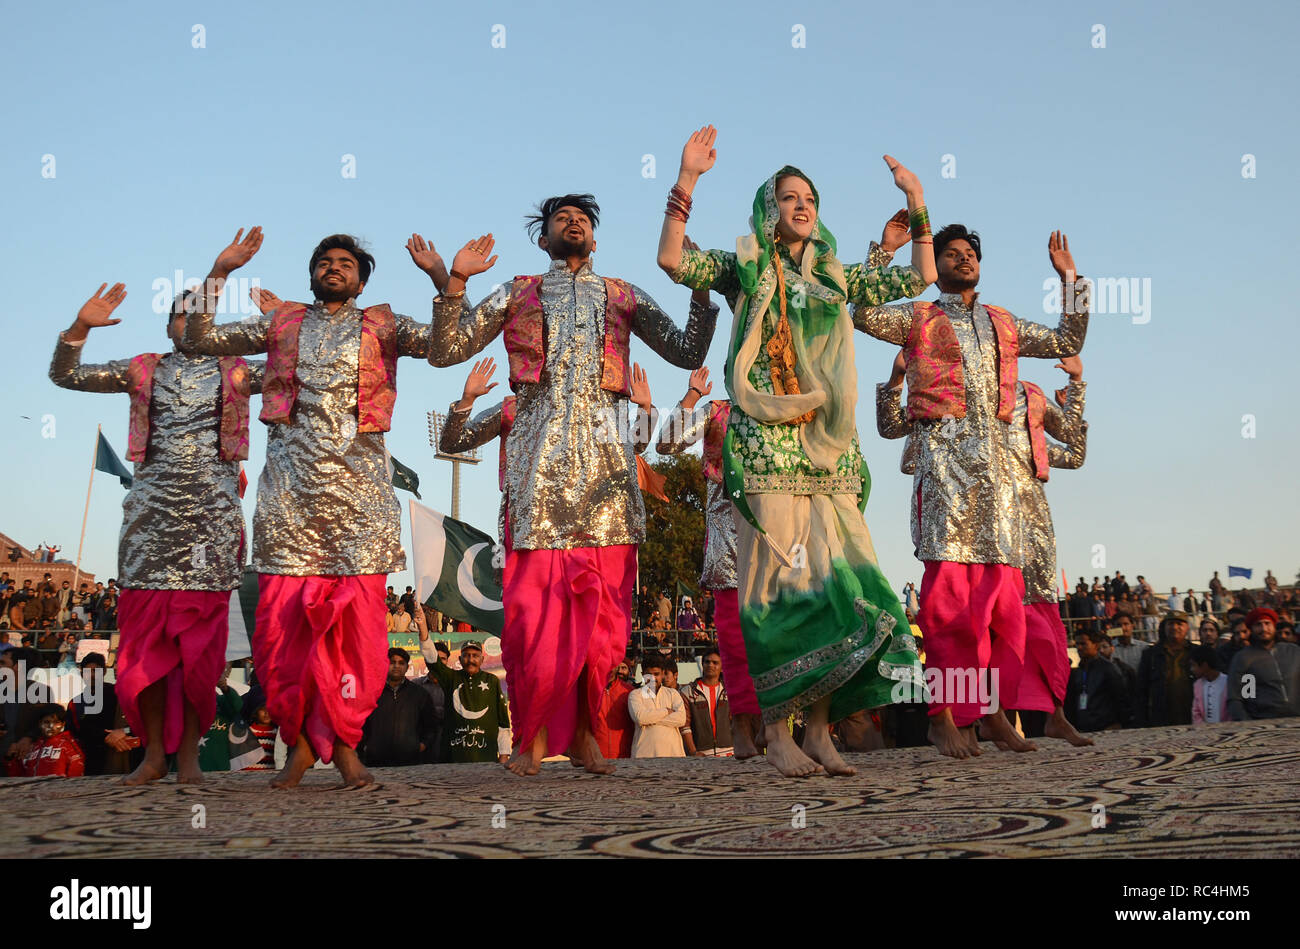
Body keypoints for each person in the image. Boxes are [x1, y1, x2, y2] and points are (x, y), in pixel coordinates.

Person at [660, 126, 933, 776]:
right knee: (778, 583)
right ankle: (777, 731)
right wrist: (686, 181)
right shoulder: (746, 267)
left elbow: (920, 277)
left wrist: (917, 200)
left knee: (838, 582)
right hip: (764, 446)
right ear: (769, 208)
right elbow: (673, 262)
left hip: (827, 452)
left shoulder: (837, 275)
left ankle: (819, 728)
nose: (802, 204)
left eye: (809, 195)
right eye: (789, 197)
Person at [426, 191, 716, 778]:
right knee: (535, 619)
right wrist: (453, 278)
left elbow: (687, 348)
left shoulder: (623, 294)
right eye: (562, 218)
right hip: (539, 473)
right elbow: (447, 350)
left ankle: (586, 734)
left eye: (583, 218)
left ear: (595, 236)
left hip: (609, 473)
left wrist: (700, 285)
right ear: (544, 238)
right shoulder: (517, 291)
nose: (574, 223)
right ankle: (531, 737)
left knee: (602, 624)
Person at [184, 230, 450, 789]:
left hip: (360, 501)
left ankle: (347, 745)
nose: (334, 268)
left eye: (345, 263)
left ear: (361, 278)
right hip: (290, 500)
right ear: (311, 274)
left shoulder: (384, 325)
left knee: (359, 641)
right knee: (285, 641)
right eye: (325, 262)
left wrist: (443, 280)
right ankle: (302, 744)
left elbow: (451, 348)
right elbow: (197, 335)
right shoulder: (282, 325)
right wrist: (221, 269)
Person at [855, 218, 1089, 758]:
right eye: (952, 253)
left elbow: (1067, 338)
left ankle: (990, 714)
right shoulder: (918, 319)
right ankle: (943, 717)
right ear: (935, 267)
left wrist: (1070, 279)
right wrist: (883, 253)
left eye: (970, 253)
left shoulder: (1003, 322)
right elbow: (863, 314)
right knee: (948, 610)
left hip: (1000, 490)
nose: (964, 259)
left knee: (1005, 613)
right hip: (945, 479)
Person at [49, 236, 266, 785]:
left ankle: (189, 756)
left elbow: (302, 375)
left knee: (199, 652)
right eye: (180, 316)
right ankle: (151, 756)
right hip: (149, 524)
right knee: (145, 649)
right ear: (169, 326)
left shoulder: (239, 371)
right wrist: (80, 329)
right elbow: (66, 375)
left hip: (211, 522)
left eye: (201, 315)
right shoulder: (142, 368)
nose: (189, 324)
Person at [879, 348, 1093, 748]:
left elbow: (1074, 453)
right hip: (970, 519)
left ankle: (1045, 714)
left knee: (1036, 624)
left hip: (1028, 519)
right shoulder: (943, 393)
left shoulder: (1032, 397)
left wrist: (1076, 388)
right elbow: (909, 457)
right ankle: (970, 718)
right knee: (976, 622)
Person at [654, 363, 763, 757]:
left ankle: (774, 720)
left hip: (776, 545)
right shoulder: (716, 411)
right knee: (735, 644)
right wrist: (692, 397)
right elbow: (666, 444)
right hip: (728, 549)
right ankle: (743, 723)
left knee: (773, 636)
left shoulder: (782, 413)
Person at [418, 635, 510, 764]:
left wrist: (504, 754)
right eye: (466, 655)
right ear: (460, 659)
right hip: (454, 757)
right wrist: (423, 630)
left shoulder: (492, 681)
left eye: (475, 655)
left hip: (485, 756)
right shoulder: (451, 678)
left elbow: (503, 722)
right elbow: (433, 662)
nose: (470, 659)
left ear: (482, 659)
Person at [65, 652, 143, 776]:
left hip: (128, 758)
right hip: (91, 762)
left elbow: (142, 723)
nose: (91, 675)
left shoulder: (119, 694)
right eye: (87, 671)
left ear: (104, 672)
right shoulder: (75, 703)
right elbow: (75, 732)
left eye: (95, 671)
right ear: (81, 673)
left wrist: (124, 732)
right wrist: (108, 737)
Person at [358, 650, 438, 767]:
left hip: (410, 763)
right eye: (392, 662)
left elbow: (431, 725)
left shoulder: (419, 694)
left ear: (407, 667)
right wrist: (365, 746)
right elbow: (360, 722)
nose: (396, 666)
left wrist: (421, 745)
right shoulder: (371, 692)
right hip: (375, 762)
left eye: (401, 663)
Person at [1227, 608, 1299, 720]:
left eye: (1267, 623)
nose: (1264, 629)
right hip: (1263, 724)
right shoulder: (1244, 658)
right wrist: (1250, 727)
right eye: (1258, 625)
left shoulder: (1293, 652)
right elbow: (1237, 699)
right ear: (1251, 629)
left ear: (1274, 626)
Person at [1063, 630, 1131, 732]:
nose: (1079, 648)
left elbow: (1121, 697)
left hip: (1106, 726)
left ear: (1096, 645)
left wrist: (1120, 722)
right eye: (1077, 644)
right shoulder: (1078, 671)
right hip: (1083, 726)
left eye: (1083, 644)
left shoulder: (1108, 668)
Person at [1135, 613, 1194, 727]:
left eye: (1179, 624)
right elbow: (1141, 689)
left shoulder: (1195, 652)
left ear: (1187, 628)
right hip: (1160, 718)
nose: (1175, 627)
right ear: (1164, 627)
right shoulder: (1150, 654)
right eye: (1171, 624)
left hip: (1191, 716)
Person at [627, 655, 687, 758]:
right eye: (648, 674)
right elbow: (640, 718)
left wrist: (649, 717)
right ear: (642, 675)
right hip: (644, 755)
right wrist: (666, 711)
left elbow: (681, 719)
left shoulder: (672, 693)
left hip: (673, 755)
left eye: (656, 674)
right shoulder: (635, 694)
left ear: (663, 674)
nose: (652, 678)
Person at [678, 647, 733, 757]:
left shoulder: (730, 690)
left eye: (715, 663)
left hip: (729, 751)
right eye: (707, 662)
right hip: (701, 754)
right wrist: (693, 752)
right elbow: (685, 726)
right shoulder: (687, 692)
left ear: (722, 667)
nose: (710, 665)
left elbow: (736, 722)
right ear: (702, 665)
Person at [7, 704, 85, 778]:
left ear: (63, 724)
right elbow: (18, 775)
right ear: (39, 723)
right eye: (46, 722)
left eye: (56, 722)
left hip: (60, 791)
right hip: (31, 790)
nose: (51, 726)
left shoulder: (70, 744)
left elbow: (76, 775)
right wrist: (11, 760)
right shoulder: (31, 746)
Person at [1191, 646, 1228, 725]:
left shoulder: (1227, 682)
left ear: (1204, 665)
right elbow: (1196, 712)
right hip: (1204, 733)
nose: (1192, 669)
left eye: (1194, 665)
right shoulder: (1197, 685)